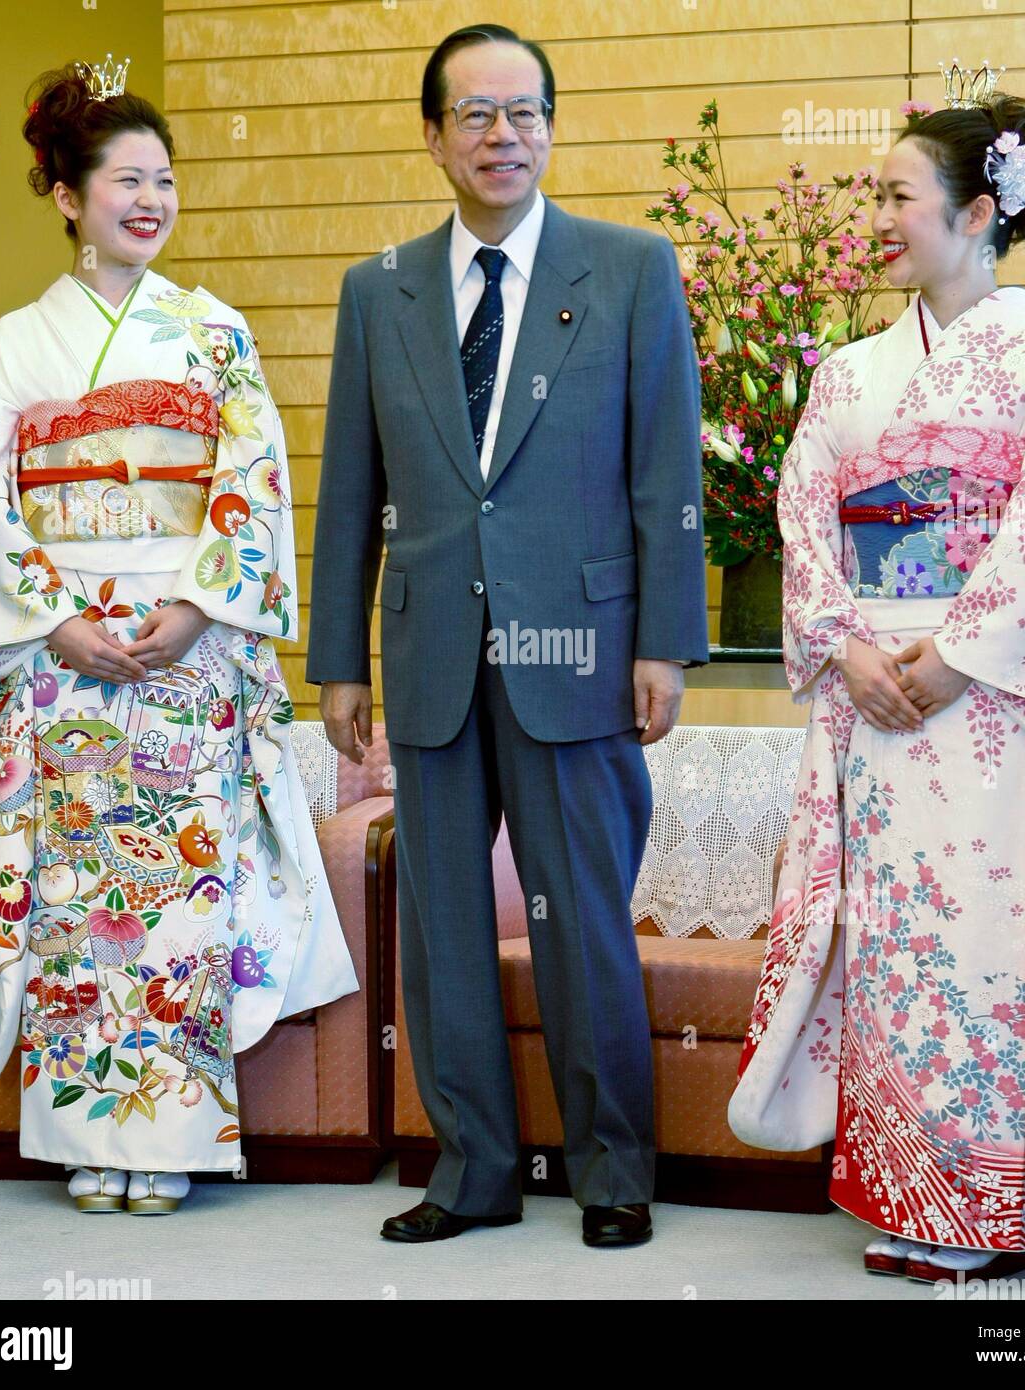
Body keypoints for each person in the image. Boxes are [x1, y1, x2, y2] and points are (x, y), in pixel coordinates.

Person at [307, 24, 708, 1246]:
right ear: (432, 136)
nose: (502, 135)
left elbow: (663, 471)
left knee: (578, 914)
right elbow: (346, 488)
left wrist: (663, 641)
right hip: (427, 653)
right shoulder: (378, 290)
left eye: (523, 112)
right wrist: (335, 659)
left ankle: (611, 1171)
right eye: (474, 115)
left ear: (551, 124)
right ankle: (470, 1168)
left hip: (579, 650)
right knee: (438, 925)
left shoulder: (631, 269)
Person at [726, 77, 1025, 1281]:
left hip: (990, 710)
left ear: (973, 212)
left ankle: (985, 1218)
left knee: (985, 948)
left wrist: (955, 656)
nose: (880, 216)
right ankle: (905, 1196)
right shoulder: (848, 375)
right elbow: (806, 518)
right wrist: (847, 644)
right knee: (892, 945)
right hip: (875, 702)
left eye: (899, 195)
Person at [0, 57, 357, 1214]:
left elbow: (252, 480)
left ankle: (171, 1140)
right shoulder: (9, 349)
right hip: (68, 664)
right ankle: (85, 1135)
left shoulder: (212, 333)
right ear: (68, 196)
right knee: (82, 901)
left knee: (181, 894)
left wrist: (199, 606)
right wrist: (54, 620)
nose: (150, 202)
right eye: (125, 180)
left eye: (164, 181)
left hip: (183, 656)